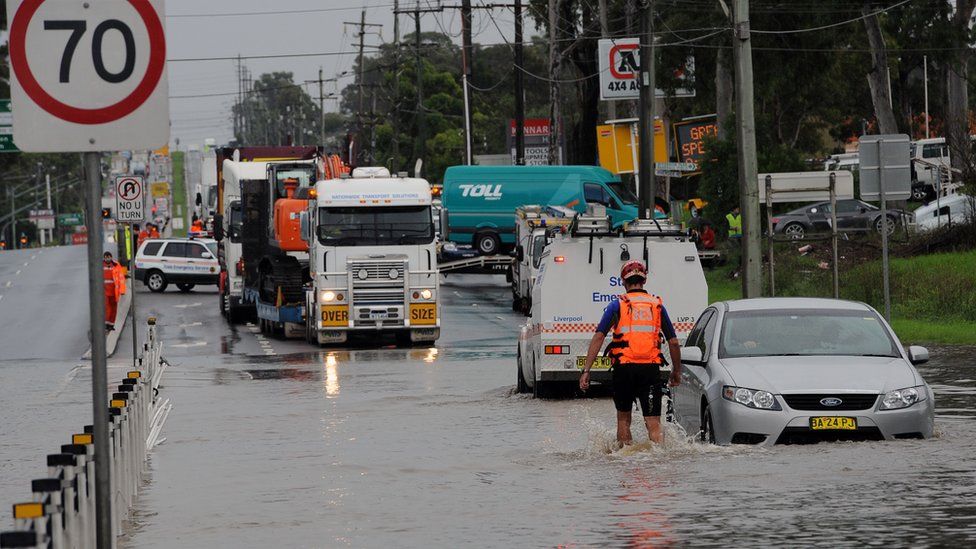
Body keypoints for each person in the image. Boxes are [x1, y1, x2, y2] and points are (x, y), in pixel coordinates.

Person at [579, 260, 682, 445]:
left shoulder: (617, 305)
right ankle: (658, 463)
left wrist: (587, 370)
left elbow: (599, 337)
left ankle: (625, 463)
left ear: (623, 282)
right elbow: (673, 342)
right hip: (650, 370)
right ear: (644, 281)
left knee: (623, 420)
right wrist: (676, 371)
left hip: (624, 369)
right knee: (653, 423)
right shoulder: (656, 305)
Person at [103, 252, 125, 331]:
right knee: (107, 308)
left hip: (114, 292)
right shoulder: (101, 265)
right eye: (106, 257)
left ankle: (111, 325)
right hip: (104, 291)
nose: (107, 258)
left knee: (114, 309)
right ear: (104, 258)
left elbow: (121, 278)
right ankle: (106, 324)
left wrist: (122, 291)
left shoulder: (116, 265)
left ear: (111, 257)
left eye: (109, 257)